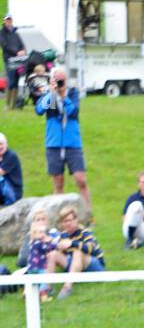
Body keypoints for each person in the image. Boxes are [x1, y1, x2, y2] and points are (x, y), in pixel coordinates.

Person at [34, 65, 91, 210]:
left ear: (66, 80)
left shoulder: (72, 93)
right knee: (58, 183)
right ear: (52, 80)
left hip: (72, 143)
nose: (60, 83)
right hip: (54, 143)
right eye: (57, 80)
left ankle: (88, 214)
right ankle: (59, 215)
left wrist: (64, 96)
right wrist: (52, 93)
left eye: (62, 80)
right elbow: (39, 110)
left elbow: (73, 112)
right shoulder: (49, 94)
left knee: (81, 180)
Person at [47, 203, 104, 299]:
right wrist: (59, 248)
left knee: (77, 252)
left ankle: (67, 286)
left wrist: (72, 243)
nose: (68, 223)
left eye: (70, 220)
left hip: (94, 266)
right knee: (52, 254)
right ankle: (47, 288)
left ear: (76, 220)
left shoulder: (85, 232)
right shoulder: (63, 235)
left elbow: (91, 249)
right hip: (76, 264)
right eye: (65, 221)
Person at [20, 209, 60, 300]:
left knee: (51, 255)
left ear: (48, 221)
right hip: (33, 264)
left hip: (48, 262)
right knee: (30, 276)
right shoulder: (31, 235)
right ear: (33, 222)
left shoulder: (53, 232)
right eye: (38, 220)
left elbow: (58, 245)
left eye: (43, 219)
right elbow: (23, 258)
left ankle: (47, 288)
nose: (41, 222)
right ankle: (30, 293)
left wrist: (49, 241)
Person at [2, 15, 25, 110]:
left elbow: (21, 44)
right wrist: (16, 52)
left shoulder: (15, 33)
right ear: (4, 21)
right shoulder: (2, 32)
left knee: (16, 81)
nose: (9, 21)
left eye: (10, 20)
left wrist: (23, 50)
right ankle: (7, 105)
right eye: (7, 20)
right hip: (9, 59)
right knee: (10, 81)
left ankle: (13, 105)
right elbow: (4, 46)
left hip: (17, 60)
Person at [0, 132, 22, 205]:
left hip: (13, 191)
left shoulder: (11, 156)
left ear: (6, 144)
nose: (0, 147)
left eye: (1, 144)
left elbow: (1, 172)